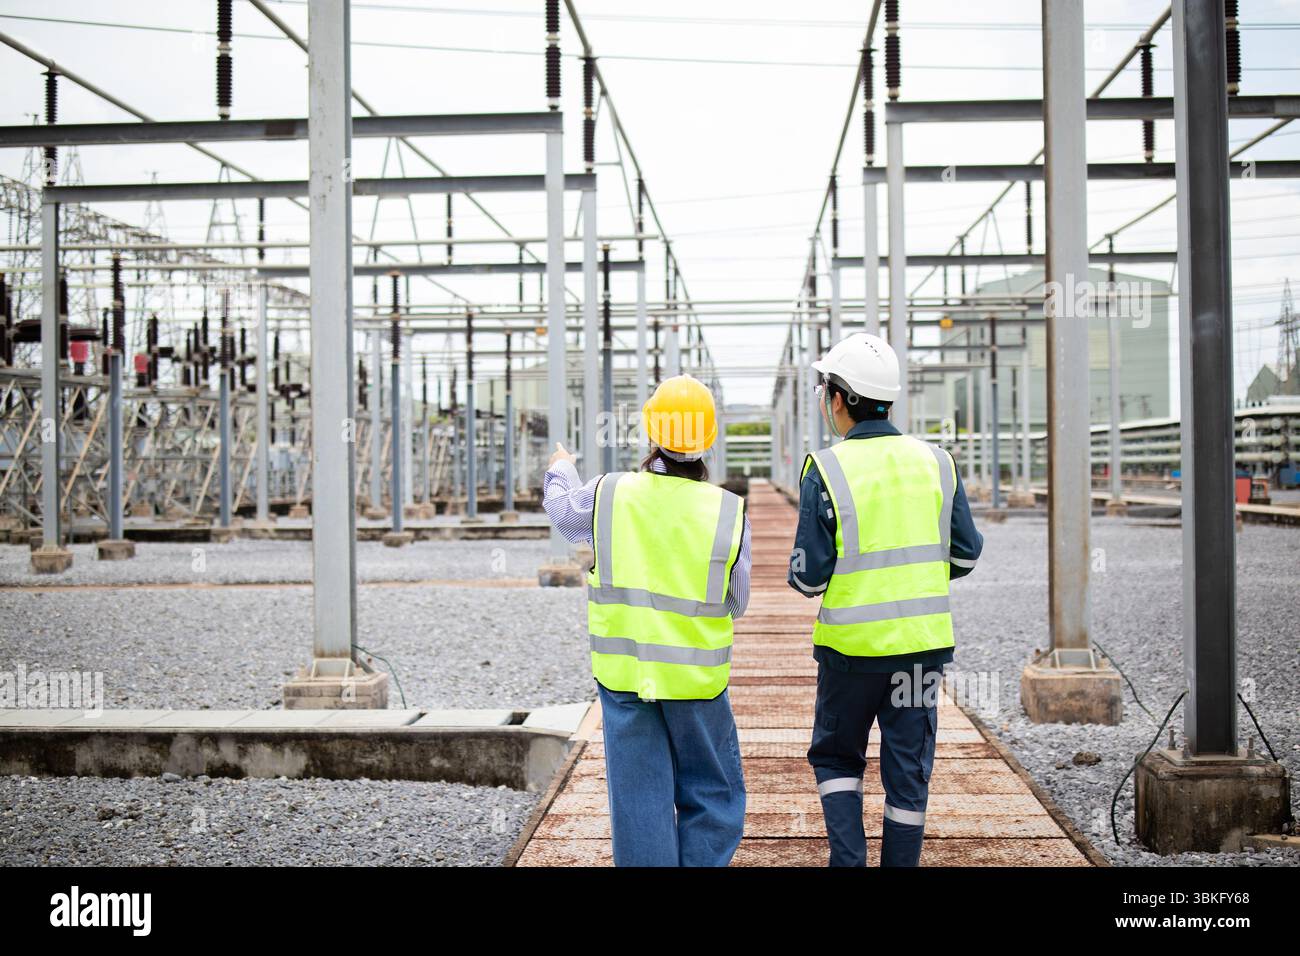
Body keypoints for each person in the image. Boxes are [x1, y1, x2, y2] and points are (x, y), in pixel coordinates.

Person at [789, 332, 983, 867]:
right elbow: (966, 555)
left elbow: (807, 579)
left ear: (840, 398)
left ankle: (847, 862)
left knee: (836, 758)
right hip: (920, 654)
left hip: (850, 654)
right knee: (906, 776)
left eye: (826, 388)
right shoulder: (937, 463)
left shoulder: (825, 469)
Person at [543, 373, 751, 867]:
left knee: (639, 798)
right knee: (712, 791)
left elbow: (562, 514)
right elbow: (737, 602)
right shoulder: (727, 510)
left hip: (626, 675)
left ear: (653, 434)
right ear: (708, 439)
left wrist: (561, 467)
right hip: (696, 679)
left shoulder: (611, 493)